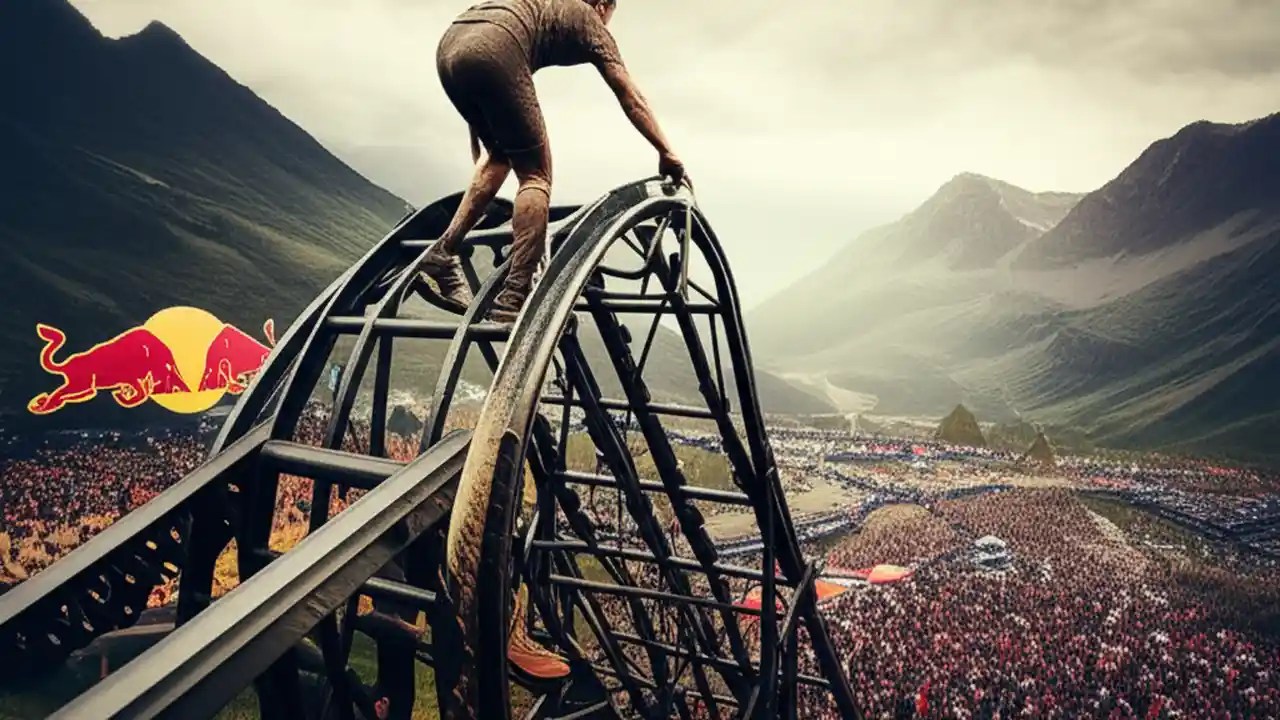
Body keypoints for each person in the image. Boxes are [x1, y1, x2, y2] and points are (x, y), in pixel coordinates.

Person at [418, 0, 687, 323]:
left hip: (452, 47)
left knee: (501, 157)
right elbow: (630, 95)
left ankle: (444, 252)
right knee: (536, 176)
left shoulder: (542, 6)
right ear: (602, 6)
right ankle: (513, 298)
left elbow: (486, 52)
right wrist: (666, 151)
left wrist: (483, 134)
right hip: (496, 47)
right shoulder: (587, 17)